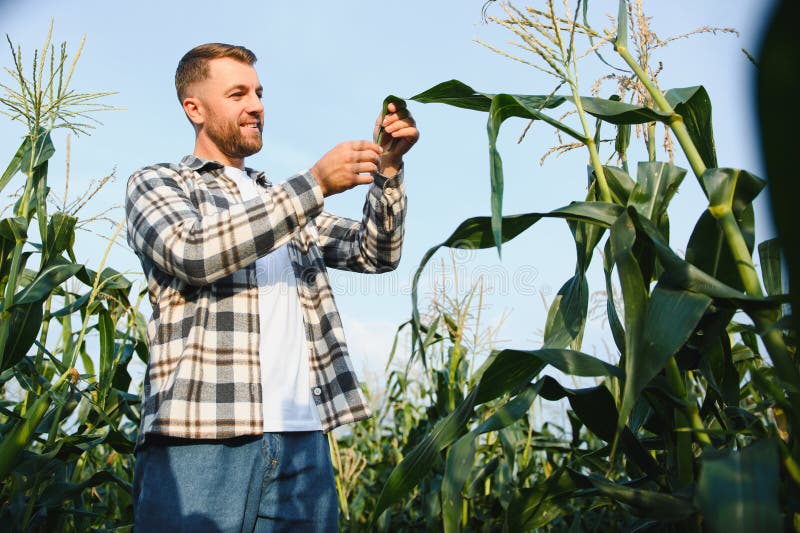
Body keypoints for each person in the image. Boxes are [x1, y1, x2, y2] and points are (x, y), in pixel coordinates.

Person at [125, 42, 418, 532]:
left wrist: (387, 171)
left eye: (258, 93)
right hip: (202, 438)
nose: (256, 105)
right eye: (237, 93)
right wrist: (316, 184)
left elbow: (376, 253)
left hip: (303, 439)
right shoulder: (158, 183)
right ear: (193, 108)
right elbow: (193, 253)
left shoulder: (282, 204)